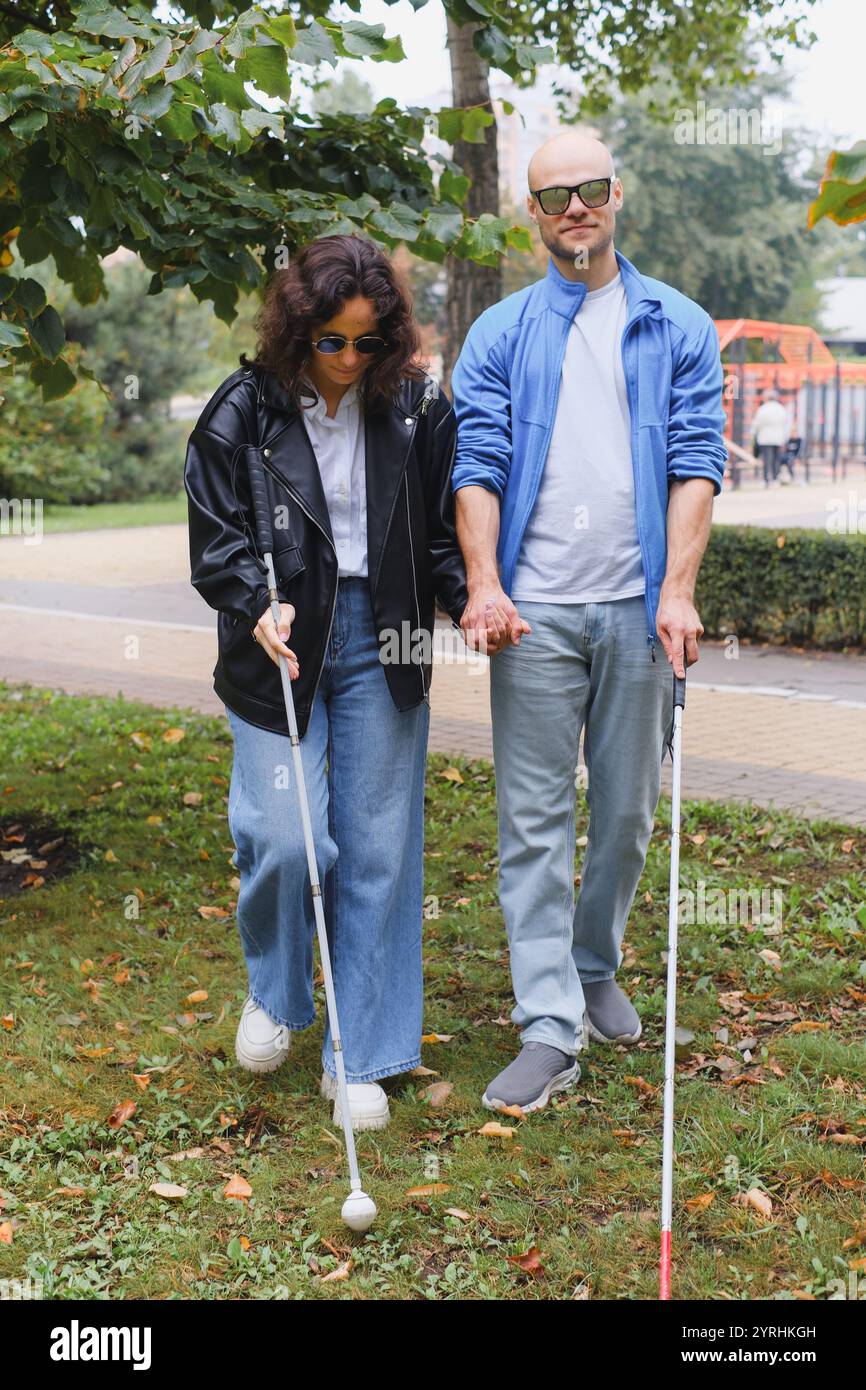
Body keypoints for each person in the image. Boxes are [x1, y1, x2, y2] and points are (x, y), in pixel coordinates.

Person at [450, 131, 726, 1114]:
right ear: (531, 213)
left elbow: (696, 462)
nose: (575, 207)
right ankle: (545, 1026)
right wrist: (483, 583)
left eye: (591, 189)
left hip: (635, 606)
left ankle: (593, 959)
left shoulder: (675, 324)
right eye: (553, 194)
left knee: (621, 813)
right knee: (529, 822)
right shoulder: (499, 333)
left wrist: (676, 591)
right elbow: (473, 465)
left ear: (617, 195)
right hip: (531, 613)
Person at [183, 235, 468, 1130]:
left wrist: (473, 601)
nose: (350, 361)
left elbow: (438, 539)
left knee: (377, 849)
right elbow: (215, 532)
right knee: (287, 838)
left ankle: (361, 1056)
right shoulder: (244, 408)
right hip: (281, 640)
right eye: (332, 341)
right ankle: (275, 990)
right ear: (298, 329)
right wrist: (250, 603)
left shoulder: (417, 407)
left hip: (385, 635)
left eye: (368, 342)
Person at [750, 392, 789, 486]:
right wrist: (785, 437)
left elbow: (757, 423)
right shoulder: (781, 409)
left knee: (767, 460)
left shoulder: (763, 409)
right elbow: (786, 423)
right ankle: (775, 479)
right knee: (776, 459)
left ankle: (766, 479)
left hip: (765, 438)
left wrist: (753, 433)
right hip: (778, 438)